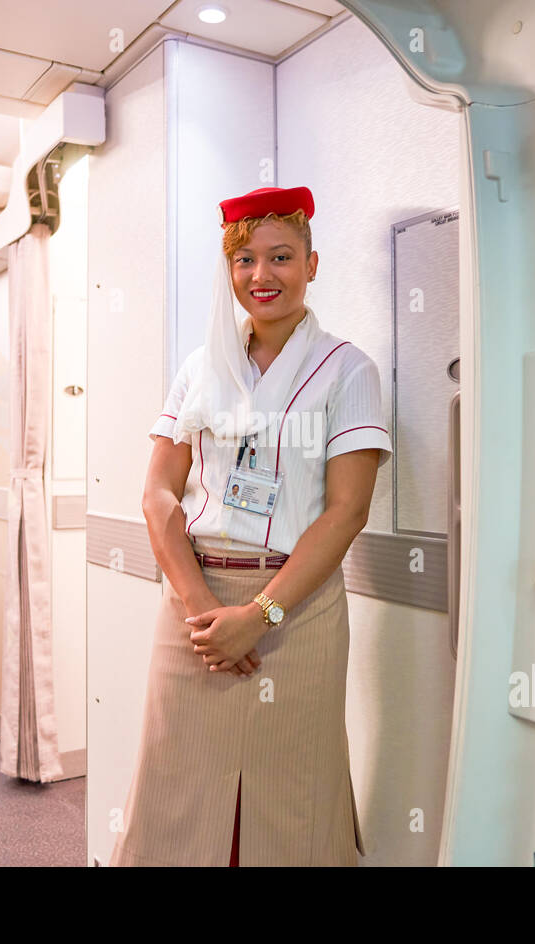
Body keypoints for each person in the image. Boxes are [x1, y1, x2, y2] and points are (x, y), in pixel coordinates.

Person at [110, 185, 392, 867]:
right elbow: (158, 497)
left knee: (291, 793)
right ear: (229, 270)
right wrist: (206, 609)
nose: (261, 276)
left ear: (312, 264)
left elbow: (346, 512)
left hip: (297, 608)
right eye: (244, 261)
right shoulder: (201, 369)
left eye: (281, 257)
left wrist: (260, 613)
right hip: (196, 605)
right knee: (178, 782)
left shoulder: (347, 370)